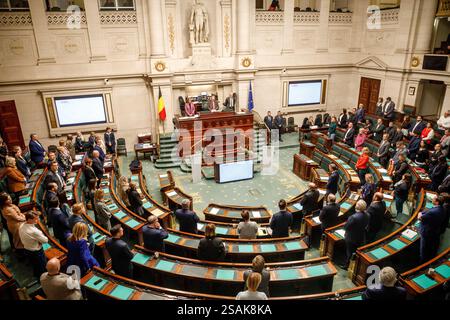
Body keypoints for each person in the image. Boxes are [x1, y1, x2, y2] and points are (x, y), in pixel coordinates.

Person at [19, 211, 48, 280]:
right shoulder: (34, 231)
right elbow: (45, 240)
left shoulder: (21, 225)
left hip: (27, 249)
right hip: (36, 252)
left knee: (35, 265)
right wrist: (39, 241)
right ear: (29, 219)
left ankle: (37, 275)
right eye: (36, 219)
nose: (38, 220)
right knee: (42, 267)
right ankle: (44, 280)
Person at [418, 195, 446, 263]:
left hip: (426, 232)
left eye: (433, 199)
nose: (432, 200)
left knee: (423, 249)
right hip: (435, 230)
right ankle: (430, 257)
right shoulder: (443, 208)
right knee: (431, 246)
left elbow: (420, 218)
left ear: (437, 202)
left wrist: (419, 213)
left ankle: (422, 262)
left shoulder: (432, 212)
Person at [342, 200, 369, 269]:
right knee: (355, 250)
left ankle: (346, 265)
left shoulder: (353, 217)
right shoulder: (368, 215)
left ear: (357, 206)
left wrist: (346, 224)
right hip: (360, 236)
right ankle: (355, 264)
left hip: (351, 237)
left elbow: (346, 227)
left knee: (349, 252)